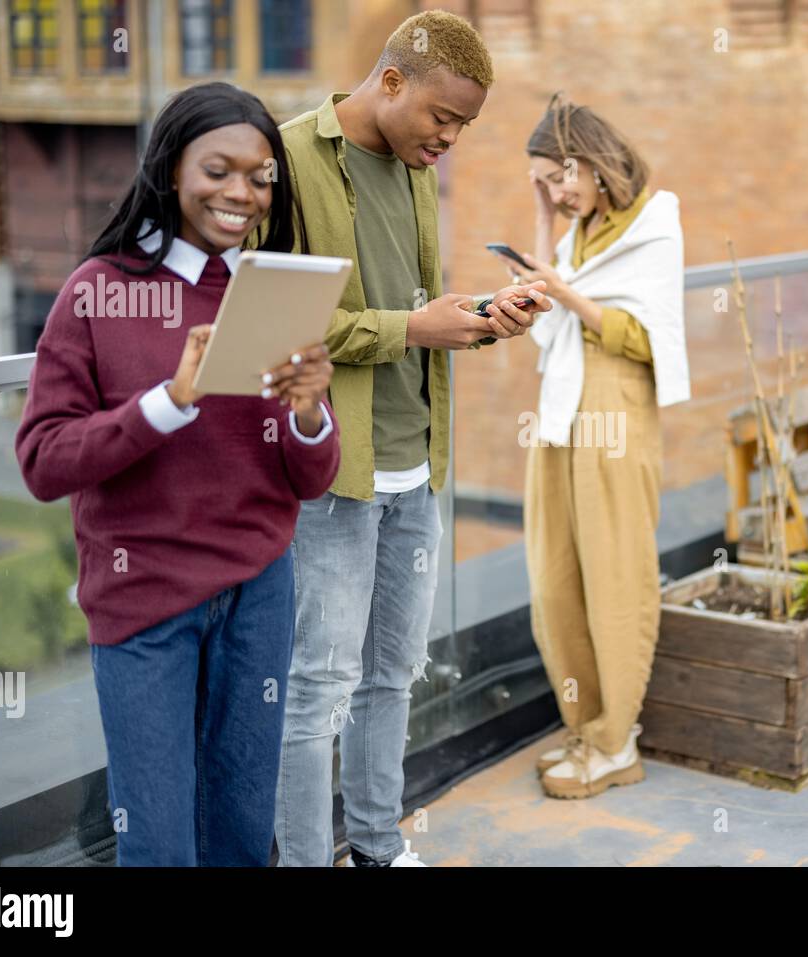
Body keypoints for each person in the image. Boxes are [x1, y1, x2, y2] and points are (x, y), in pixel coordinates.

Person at [15, 82, 340, 865]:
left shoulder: (273, 288)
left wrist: (308, 412)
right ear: (168, 170)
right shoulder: (97, 291)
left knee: (238, 830)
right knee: (157, 843)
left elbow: (310, 478)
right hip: (144, 604)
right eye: (219, 170)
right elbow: (43, 461)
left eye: (261, 176)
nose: (242, 193)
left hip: (259, 592)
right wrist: (168, 401)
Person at [271, 10, 551, 867]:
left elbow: (408, 306)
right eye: (444, 117)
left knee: (392, 677)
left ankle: (380, 849)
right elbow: (280, 328)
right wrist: (411, 329)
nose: (452, 139)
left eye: (465, 126)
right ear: (390, 82)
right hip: (332, 473)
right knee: (317, 691)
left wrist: (476, 317)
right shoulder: (287, 158)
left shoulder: (416, 170)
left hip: (416, 467)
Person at [495, 93, 690, 799]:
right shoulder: (580, 229)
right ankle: (585, 724)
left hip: (615, 407)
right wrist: (545, 220)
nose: (555, 192)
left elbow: (647, 341)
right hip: (561, 409)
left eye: (558, 179)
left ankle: (616, 742)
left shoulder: (654, 225)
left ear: (590, 161)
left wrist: (567, 294)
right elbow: (552, 299)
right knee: (555, 575)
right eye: (544, 183)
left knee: (615, 574)